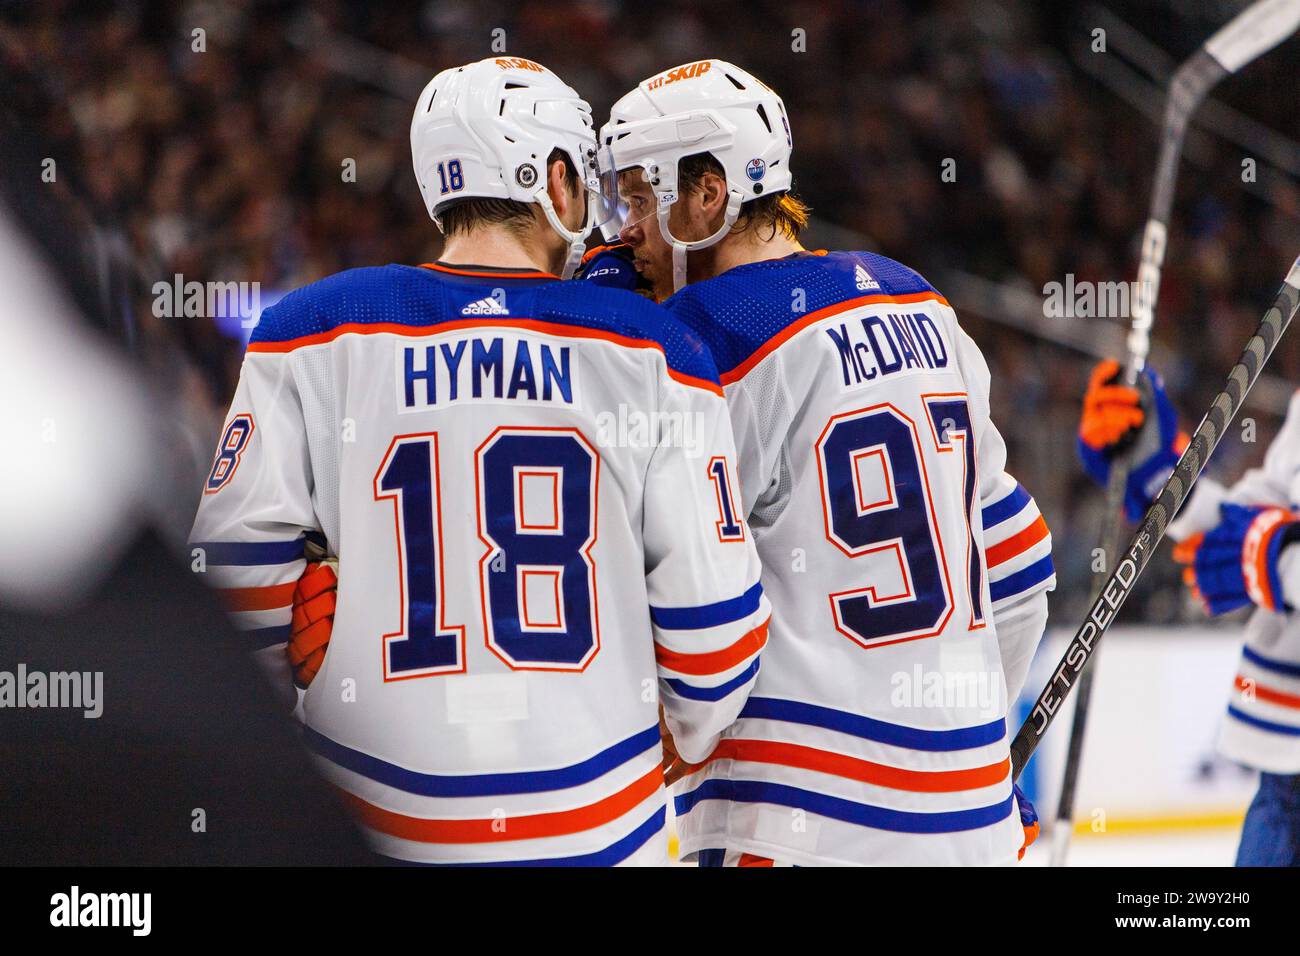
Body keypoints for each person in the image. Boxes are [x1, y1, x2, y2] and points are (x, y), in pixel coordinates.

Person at [189, 56, 770, 866]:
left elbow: (231, 587)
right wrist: (686, 731)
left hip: (371, 820)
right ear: (557, 179)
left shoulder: (311, 330)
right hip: (597, 826)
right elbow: (715, 638)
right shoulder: (657, 350)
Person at [585, 59, 1054, 865]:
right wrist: (965, 771)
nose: (623, 229)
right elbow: (1017, 564)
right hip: (971, 829)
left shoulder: (702, 338)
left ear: (708, 194)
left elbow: (623, 573)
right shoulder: (920, 301)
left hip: (794, 822)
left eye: (637, 198)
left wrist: (597, 338)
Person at [1079, 357, 1300, 866]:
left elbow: (1269, 542)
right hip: (1282, 784)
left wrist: (1276, 555)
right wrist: (1162, 478)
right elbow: (1261, 517)